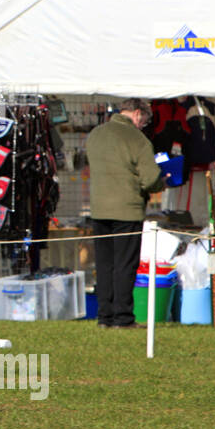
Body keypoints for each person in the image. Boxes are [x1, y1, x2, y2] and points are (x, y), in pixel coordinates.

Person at [86, 98, 165, 328]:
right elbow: (150, 179)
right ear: (138, 114)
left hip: (99, 209)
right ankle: (123, 318)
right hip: (127, 210)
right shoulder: (137, 139)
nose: (144, 126)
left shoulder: (95, 134)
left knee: (104, 264)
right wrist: (162, 182)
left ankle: (104, 317)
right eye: (145, 121)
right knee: (124, 265)